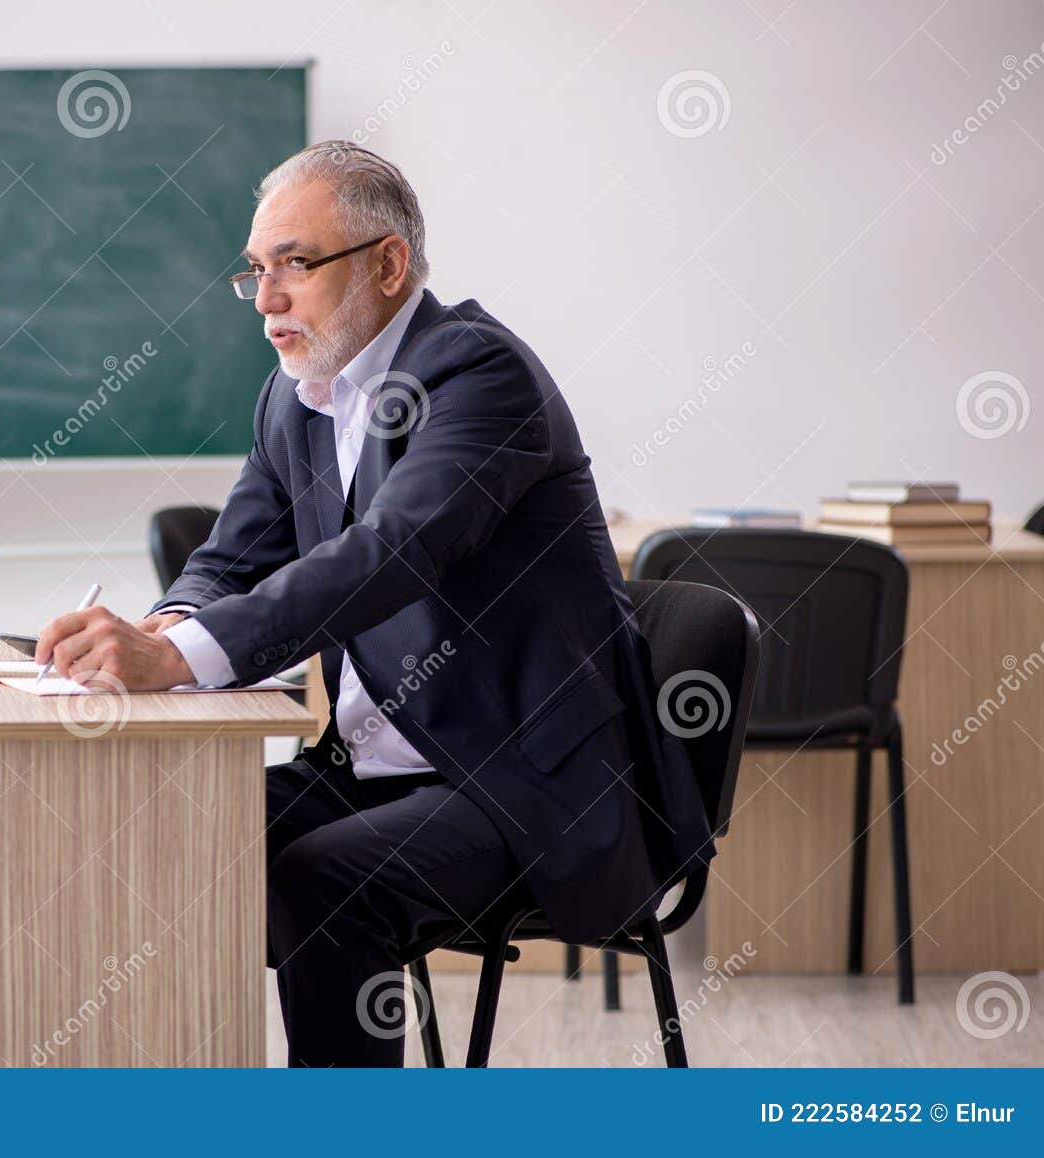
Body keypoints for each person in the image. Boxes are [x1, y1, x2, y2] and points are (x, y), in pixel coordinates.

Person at [35, 141, 713, 1066]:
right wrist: (161, 629)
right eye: (257, 271)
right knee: (160, 832)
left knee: (321, 882)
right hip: (365, 770)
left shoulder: (480, 375)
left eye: (295, 265)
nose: (268, 298)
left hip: (519, 782)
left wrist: (180, 661)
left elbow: (392, 555)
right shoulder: (294, 398)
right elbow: (226, 560)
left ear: (387, 264)